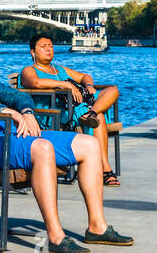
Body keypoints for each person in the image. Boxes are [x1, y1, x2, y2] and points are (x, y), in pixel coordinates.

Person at [0, 25, 132, 253]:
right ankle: (56, 237)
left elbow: (18, 95)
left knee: (90, 145)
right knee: (43, 148)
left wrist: (25, 111)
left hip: (11, 138)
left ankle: (97, 227)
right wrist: (6, 112)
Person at [19, 32, 121, 185]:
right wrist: (66, 84)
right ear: (33, 52)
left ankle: (90, 113)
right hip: (54, 113)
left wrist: (89, 86)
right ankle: (105, 170)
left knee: (112, 90)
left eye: (51, 46)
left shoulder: (59, 70)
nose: (49, 49)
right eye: (43, 47)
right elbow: (35, 83)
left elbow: (84, 76)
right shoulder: (29, 70)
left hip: (76, 109)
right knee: (98, 118)